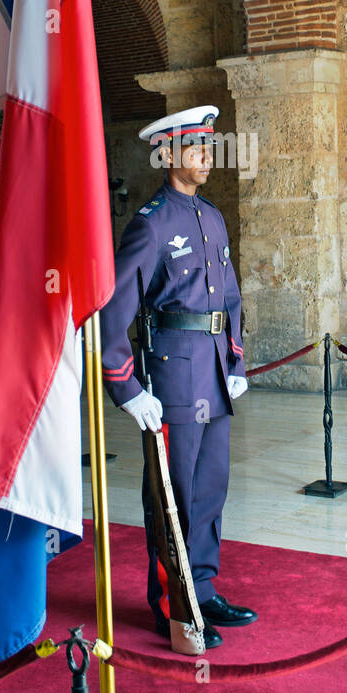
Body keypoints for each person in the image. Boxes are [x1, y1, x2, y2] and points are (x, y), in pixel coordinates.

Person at [101, 105, 257, 649]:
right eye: (195, 148)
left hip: (213, 375)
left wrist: (234, 363)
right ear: (168, 155)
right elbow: (112, 312)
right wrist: (127, 388)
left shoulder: (211, 217)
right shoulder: (151, 222)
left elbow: (231, 298)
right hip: (172, 381)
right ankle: (175, 607)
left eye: (209, 147)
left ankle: (205, 589)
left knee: (211, 489)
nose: (205, 157)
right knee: (174, 497)